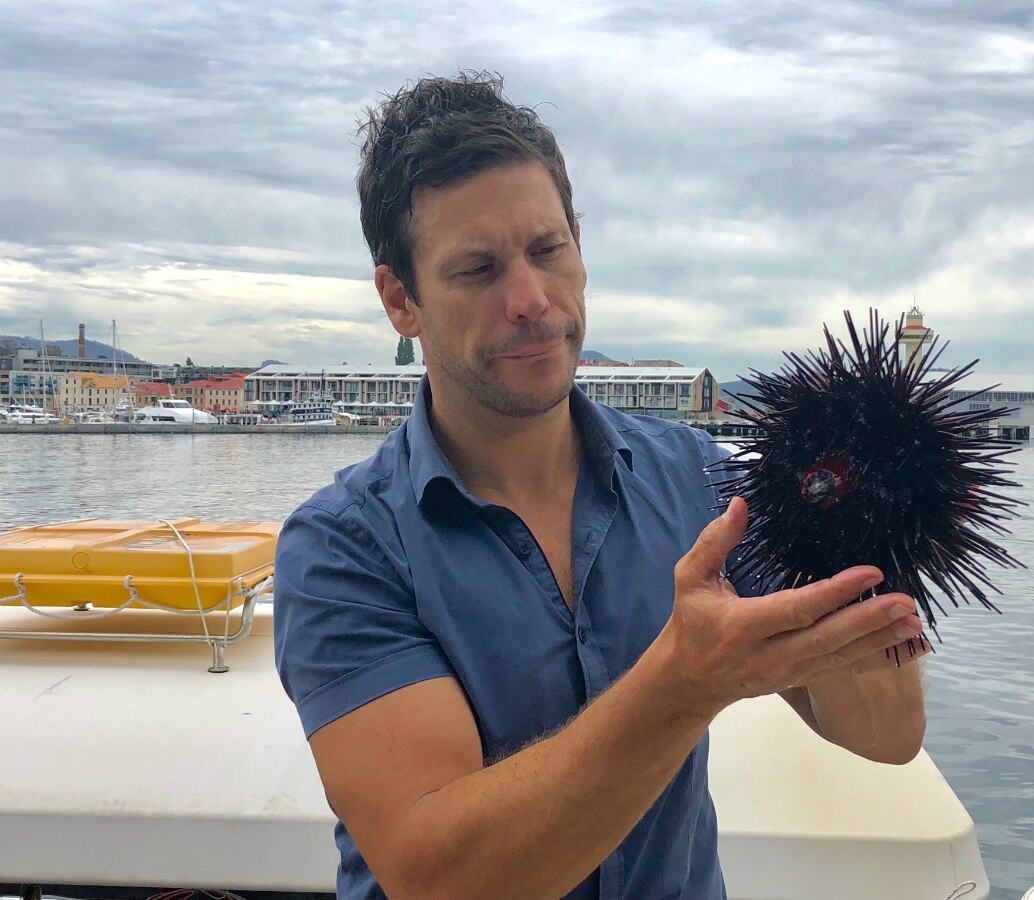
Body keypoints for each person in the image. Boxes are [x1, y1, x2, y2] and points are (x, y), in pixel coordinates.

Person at [273, 71, 928, 900]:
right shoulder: (342, 549)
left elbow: (887, 734)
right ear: (400, 298)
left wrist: (876, 538)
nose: (531, 300)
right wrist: (684, 685)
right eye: (478, 270)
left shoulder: (702, 483)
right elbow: (440, 877)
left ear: (579, 243)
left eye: (549, 251)